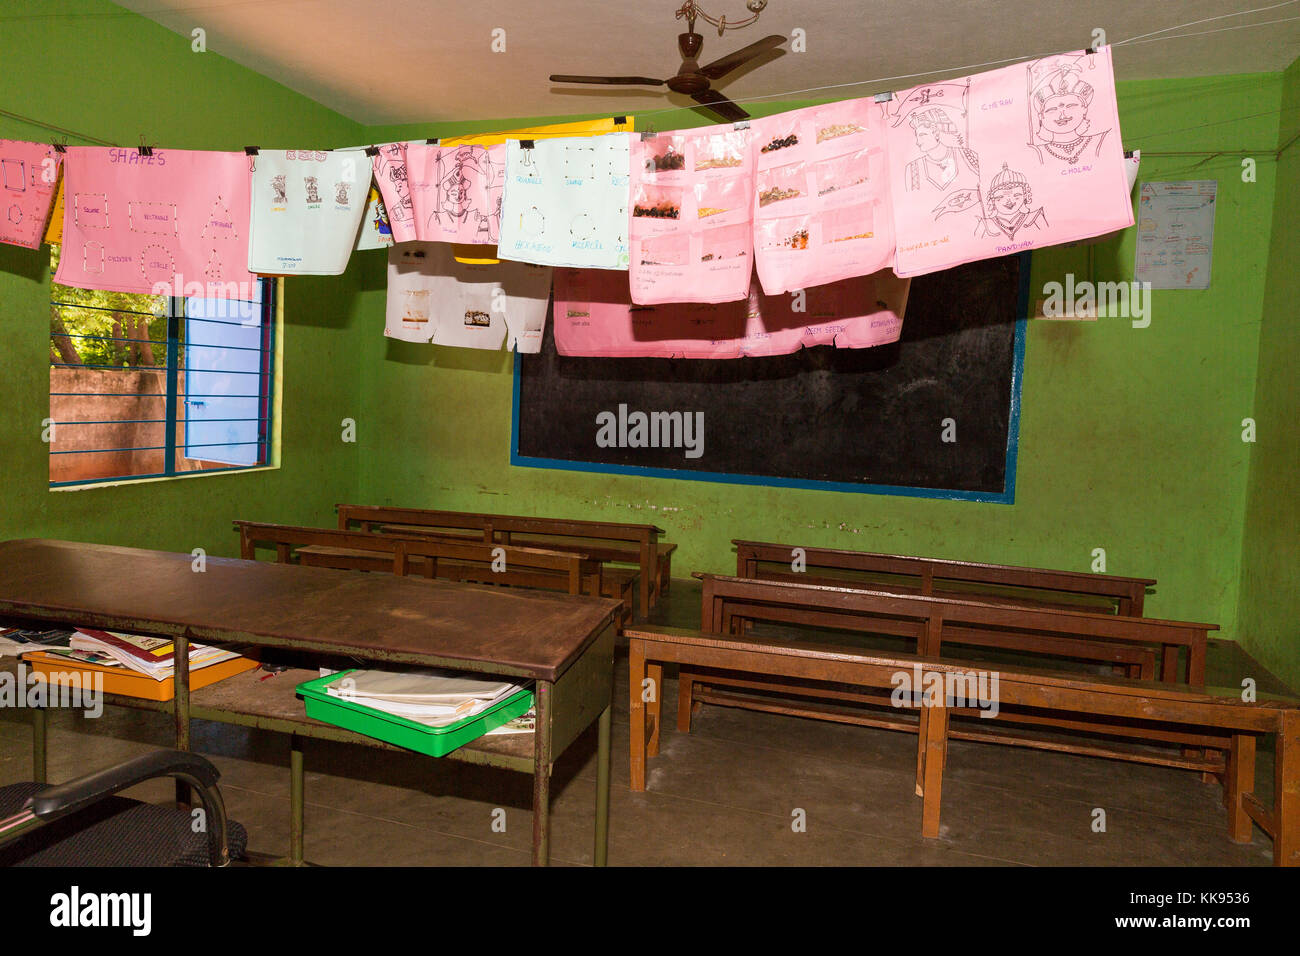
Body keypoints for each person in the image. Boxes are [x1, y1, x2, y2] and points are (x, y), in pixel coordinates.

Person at [976, 163, 1047, 240]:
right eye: (1000, 197)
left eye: (1016, 196)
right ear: (992, 200)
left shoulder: (1035, 217)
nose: (1009, 201)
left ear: (1025, 196)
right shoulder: (985, 225)